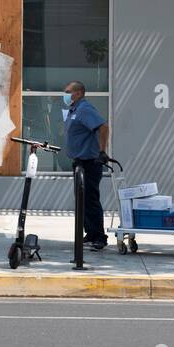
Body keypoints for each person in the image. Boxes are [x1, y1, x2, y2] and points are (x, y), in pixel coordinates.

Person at [62, 80, 109, 251]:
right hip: (79, 162)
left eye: (68, 92)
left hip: (90, 162)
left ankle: (100, 237)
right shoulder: (73, 110)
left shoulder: (84, 109)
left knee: (90, 200)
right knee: (82, 200)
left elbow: (103, 127)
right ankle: (90, 232)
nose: (65, 95)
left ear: (79, 93)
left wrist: (102, 151)